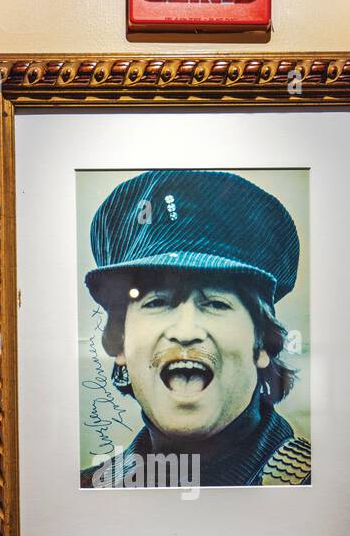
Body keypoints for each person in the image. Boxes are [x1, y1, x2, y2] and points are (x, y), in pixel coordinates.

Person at [81, 169, 310, 488]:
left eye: (216, 303)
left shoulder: (323, 485)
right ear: (120, 344)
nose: (186, 331)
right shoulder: (89, 491)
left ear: (262, 344)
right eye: (157, 302)